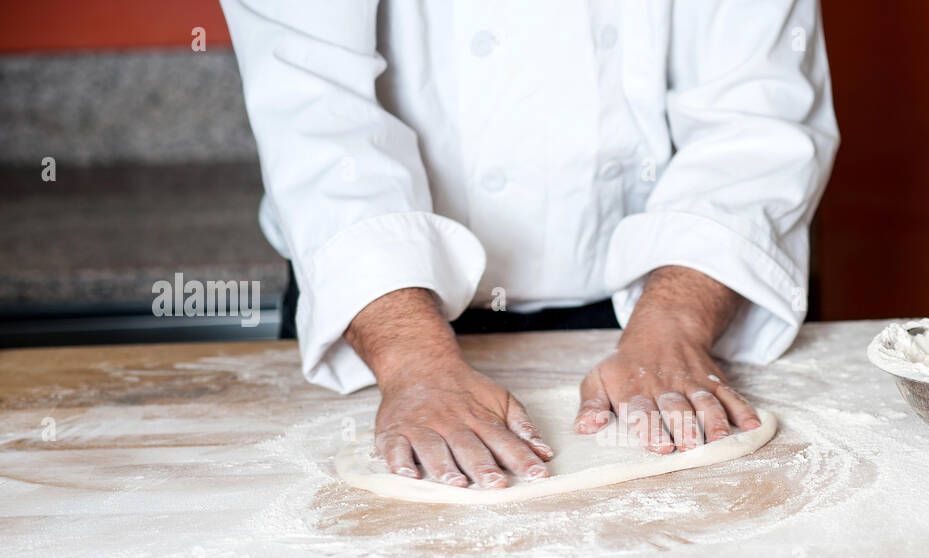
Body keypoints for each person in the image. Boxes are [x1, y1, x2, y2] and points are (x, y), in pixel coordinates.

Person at [223, 0, 838, 488]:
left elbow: (757, 112)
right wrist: (412, 362)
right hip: (376, 299)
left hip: (669, 289)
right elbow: (314, 112)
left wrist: (675, 323)